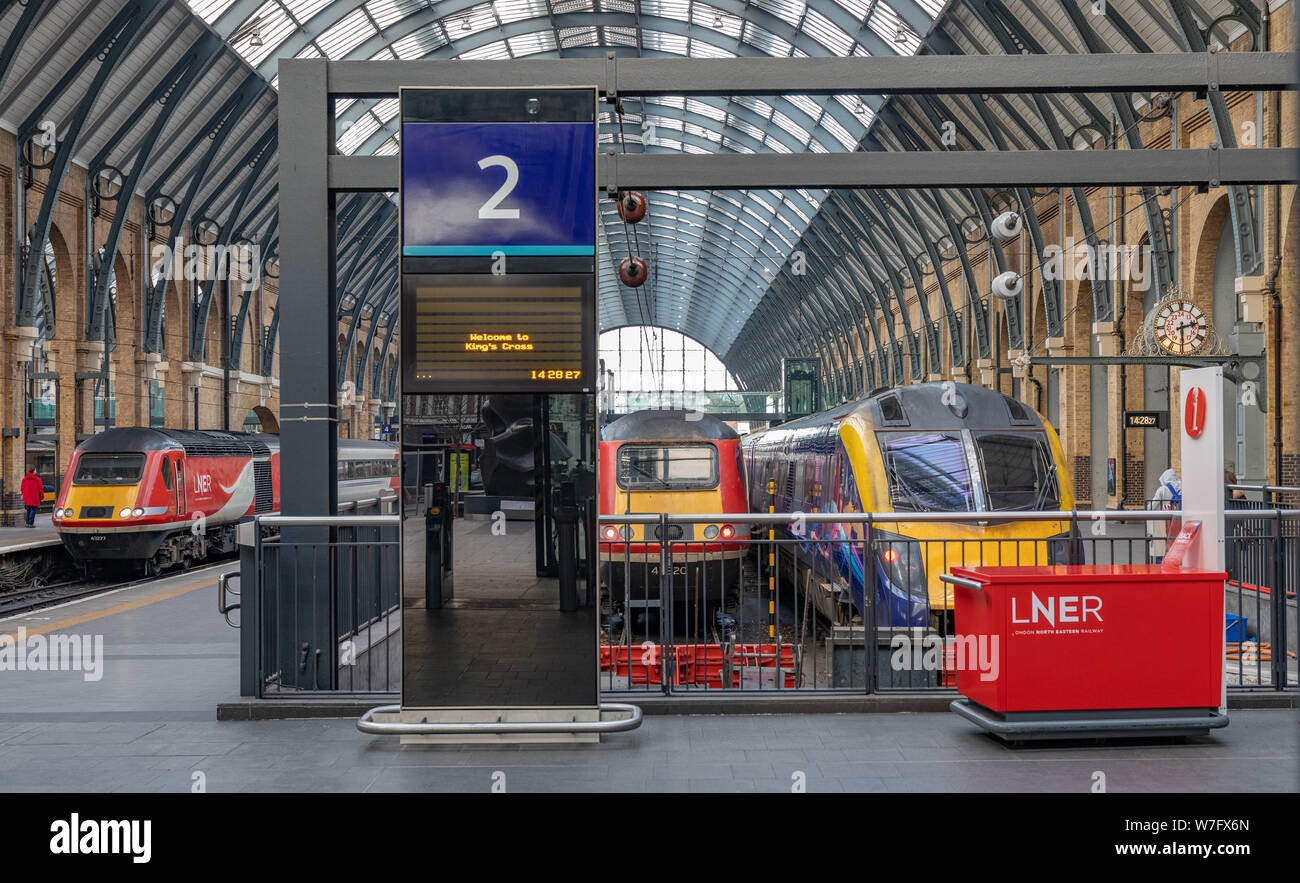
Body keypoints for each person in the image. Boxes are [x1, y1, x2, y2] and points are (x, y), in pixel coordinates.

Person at [1148, 467, 1182, 563]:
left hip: (1166, 522)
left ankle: (1160, 565)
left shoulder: (1163, 489)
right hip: (1181, 521)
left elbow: (1152, 506)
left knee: (1162, 544)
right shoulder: (1183, 487)